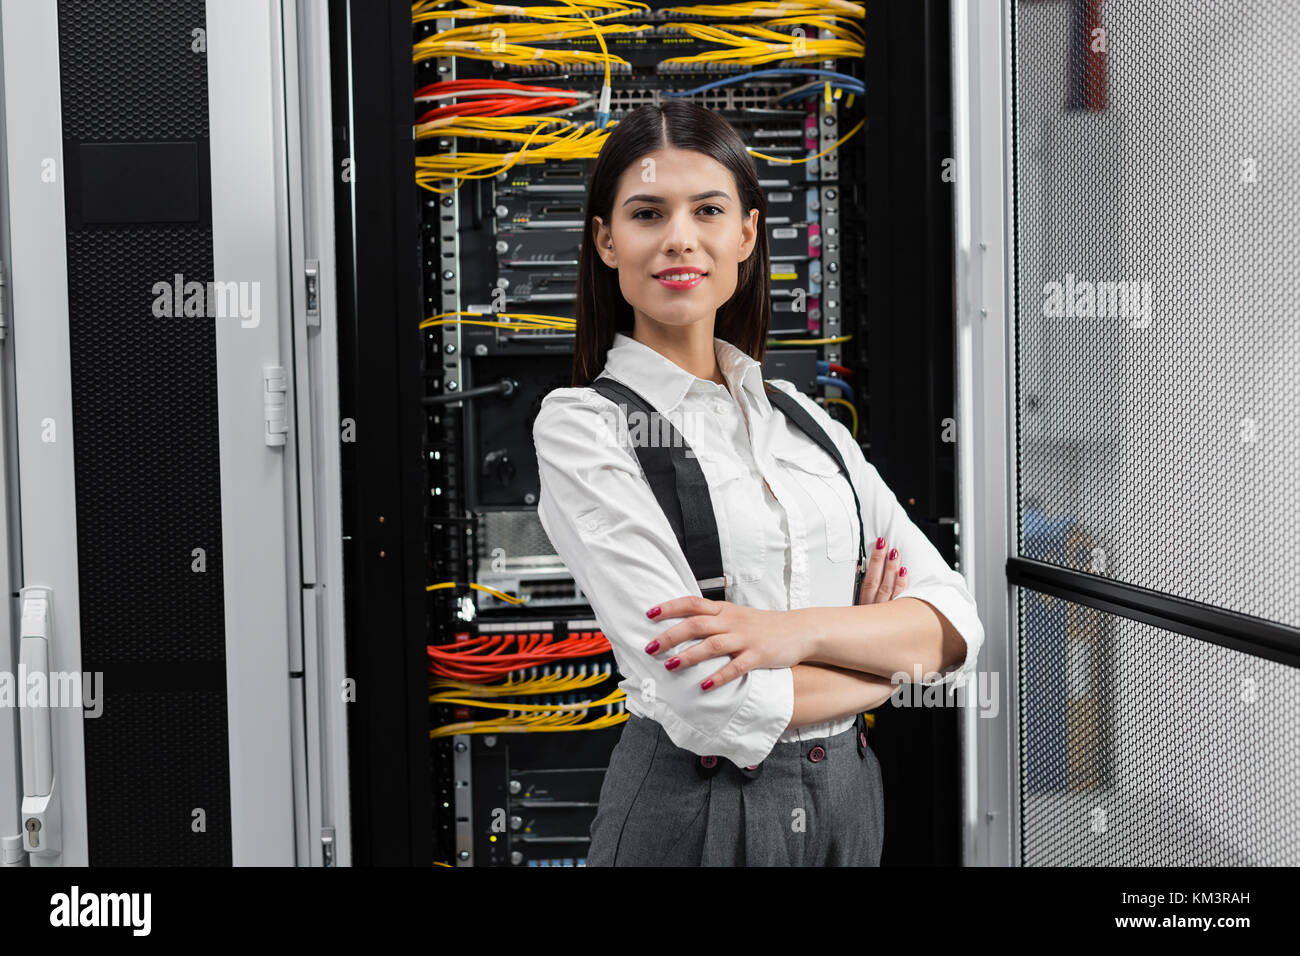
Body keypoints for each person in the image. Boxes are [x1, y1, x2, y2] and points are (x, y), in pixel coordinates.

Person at [531, 101, 985, 866]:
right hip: (697, 811)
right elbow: (712, 701)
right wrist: (877, 678)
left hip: (848, 799)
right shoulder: (583, 426)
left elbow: (952, 630)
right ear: (607, 241)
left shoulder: (802, 418)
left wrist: (788, 634)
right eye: (648, 213)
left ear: (745, 233)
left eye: (708, 209)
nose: (680, 237)